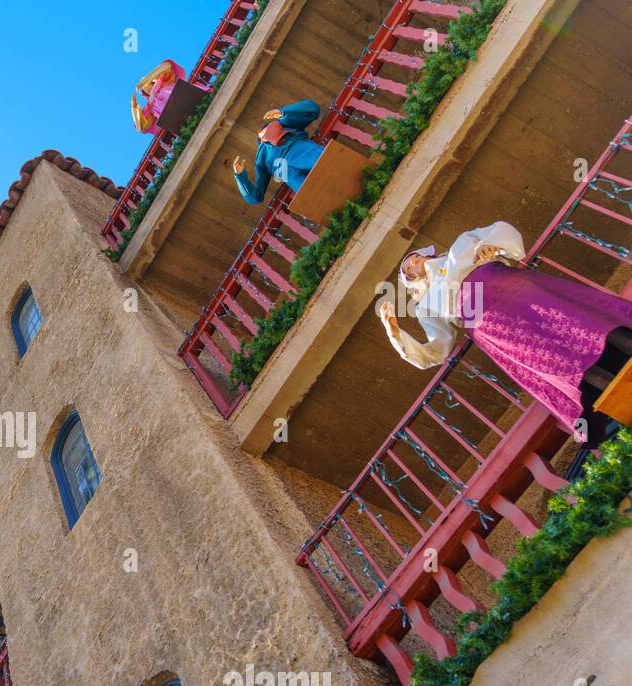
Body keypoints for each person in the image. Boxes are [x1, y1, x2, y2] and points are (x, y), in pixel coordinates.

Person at [376, 221, 632, 442]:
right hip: (495, 328)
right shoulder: (426, 305)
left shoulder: (461, 246)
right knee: (555, 359)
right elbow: (437, 349)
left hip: (514, 289)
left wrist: (493, 247)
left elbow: (502, 231)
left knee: (580, 323)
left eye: (412, 258)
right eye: (407, 270)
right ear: (410, 280)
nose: (412, 265)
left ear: (426, 254)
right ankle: (618, 397)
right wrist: (396, 335)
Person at [233, 100, 325, 205]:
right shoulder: (262, 159)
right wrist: (240, 177)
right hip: (285, 171)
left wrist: (283, 112)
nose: (266, 133)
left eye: (268, 129)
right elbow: (256, 197)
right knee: (314, 196)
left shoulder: (285, 124)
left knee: (325, 163)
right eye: (263, 135)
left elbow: (313, 109)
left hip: (299, 150)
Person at [132, 59, 186, 136]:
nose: (148, 87)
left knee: (165, 92)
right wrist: (134, 105)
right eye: (145, 88)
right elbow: (141, 127)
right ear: (145, 93)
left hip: (181, 99)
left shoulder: (164, 82)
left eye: (150, 83)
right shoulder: (151, 106)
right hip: (174, 118)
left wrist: (149, 78)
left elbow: (168, 65)